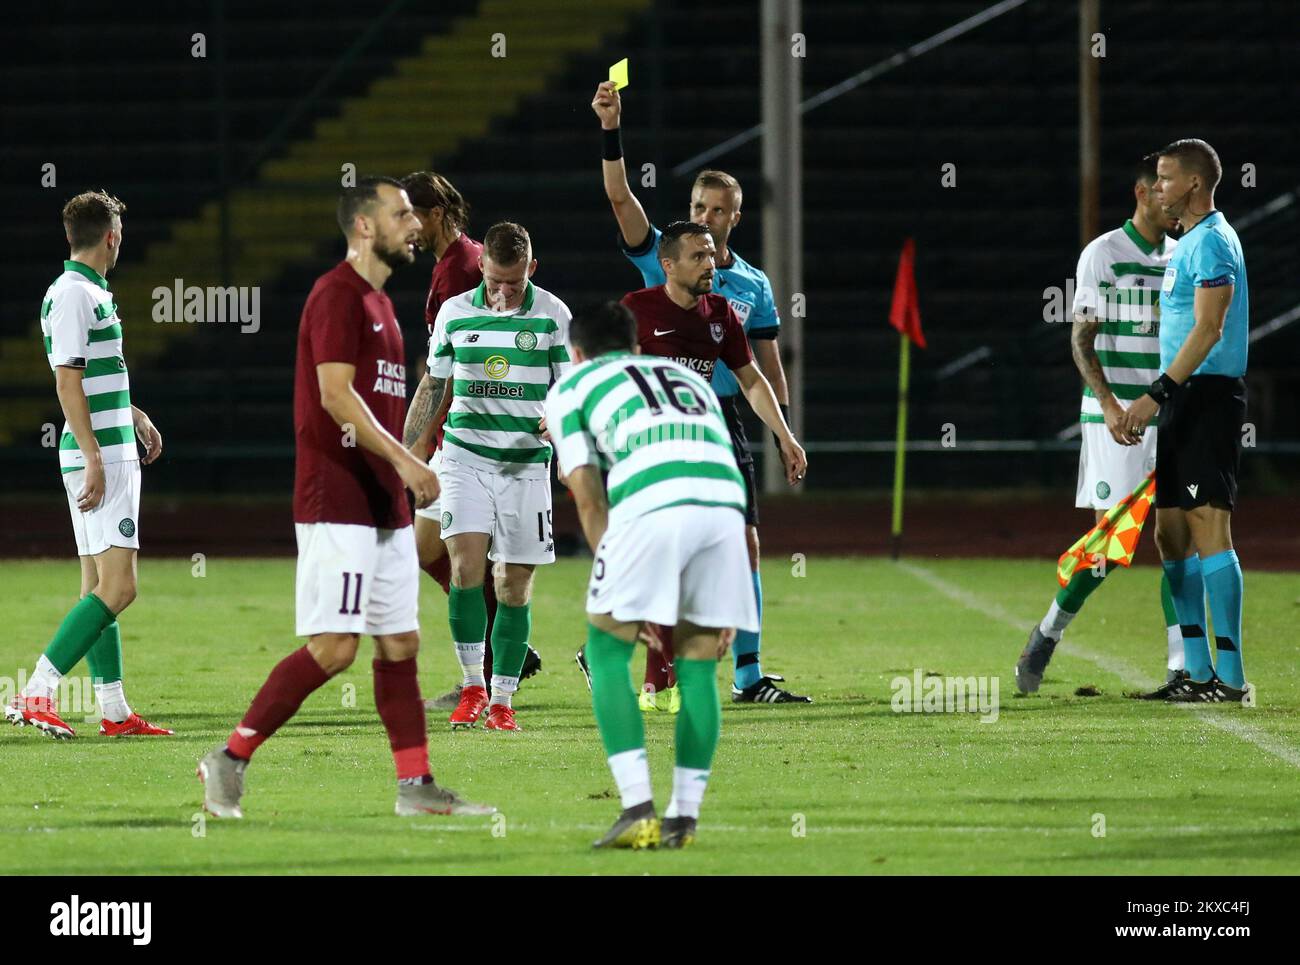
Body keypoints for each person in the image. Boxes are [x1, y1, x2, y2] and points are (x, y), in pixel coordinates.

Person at [197, 177, 493, 818]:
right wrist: (410, 460)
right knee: (336, 648)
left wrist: (399, 474)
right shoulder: (337, 294)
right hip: (338, 498)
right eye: (401, 214)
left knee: (400, 645)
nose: (415, 225)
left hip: (382, 503)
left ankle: (415, 788)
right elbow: (335, 398)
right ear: (365, 226)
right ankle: (230, 756)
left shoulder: (384, 307)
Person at [545, 301, 802, 848]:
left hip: (655, 505)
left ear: (577, 352)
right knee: (698, 665)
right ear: (636, 346)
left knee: (608, 647)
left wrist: (618, 584)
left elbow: (589, 499)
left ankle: (638, 808)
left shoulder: (571, 386)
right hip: (724, 510)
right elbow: (718, 455)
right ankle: (684, 816)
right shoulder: (685, 376)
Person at [591, 79, 806, 706]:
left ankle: (747, 673)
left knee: (743, 541)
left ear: (735, 215)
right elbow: (619, 194)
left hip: (722, 420)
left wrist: (782, 435)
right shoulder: (667, 260)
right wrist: (612, 127)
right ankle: (625, 650)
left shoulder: (752, 287)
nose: (705, 219)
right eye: (697, 206)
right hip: (659, 423)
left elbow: (760, 368)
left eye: (716, 210)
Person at [6, 190, 172, 739]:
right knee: (119, 588)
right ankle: (36, 692)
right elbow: (66, 382)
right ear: (112, 237)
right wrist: (98, 455)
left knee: (96, 585)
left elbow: (95, 379)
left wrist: (135, 413)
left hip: (100, 445)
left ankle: (115, 712)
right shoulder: (77, 294)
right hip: (100, 455)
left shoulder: (80, 292)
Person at [1016, 155, 1182, 694]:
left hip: (1171, 415)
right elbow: (1080, 339)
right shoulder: (1103, 254)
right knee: (1112, 547)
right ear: (1141, 192)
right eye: (1163, 188)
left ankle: (1181, 668)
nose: (1173, 198)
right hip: (1115, 420)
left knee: (1179, 540)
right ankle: (1048, 632)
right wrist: (1111, 406)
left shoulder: (1185, 255)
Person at [403, 222, 571, 731]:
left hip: (525, 465)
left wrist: (563, 431)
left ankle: (503, 701)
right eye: (495, 281)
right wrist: (407, 454)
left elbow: (570, 388)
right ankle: (473, 686)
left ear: (531, 270)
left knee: (514, 584)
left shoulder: (553, 315)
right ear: (481, 267)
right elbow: (433, 386)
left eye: (514, 284)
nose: (502, 292)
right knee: (465, 567)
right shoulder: (455, 314)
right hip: (463, 458)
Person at [1122, 138, 1252, 704]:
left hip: (1206, 399)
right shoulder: (1188, 243)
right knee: (1170, 534)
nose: (1157, 189)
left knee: (1207, 526)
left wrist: (1156, 394)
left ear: (1195, 184)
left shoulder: (1215, 243)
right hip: (1180, 400)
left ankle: (1232, 675)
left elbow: (1209, 329)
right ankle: (1195, 672)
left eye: (1167, 179)